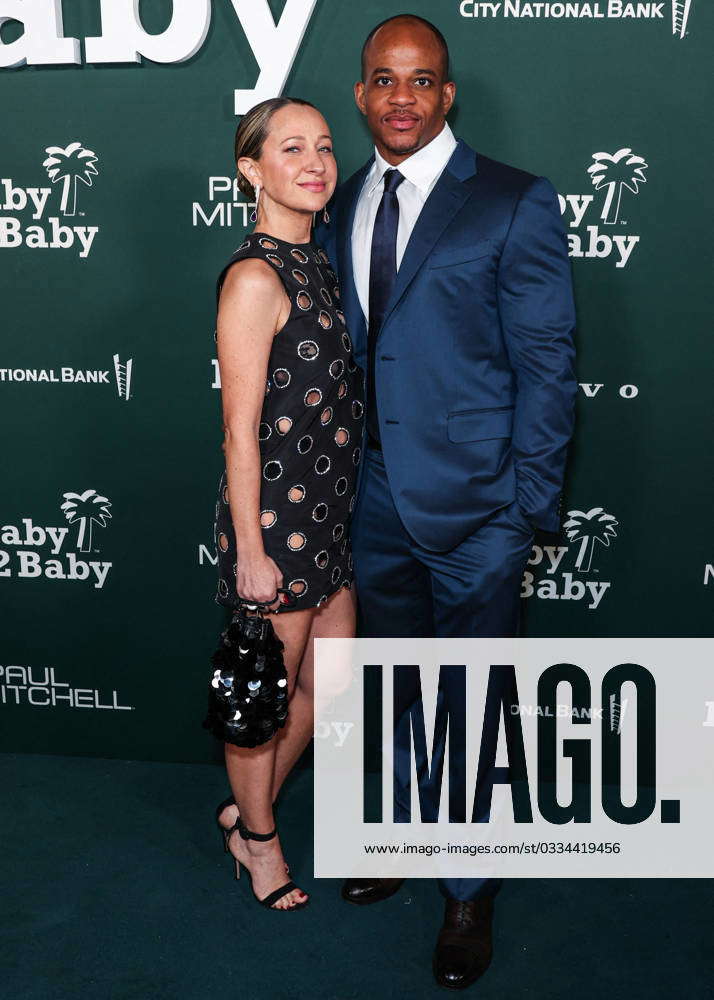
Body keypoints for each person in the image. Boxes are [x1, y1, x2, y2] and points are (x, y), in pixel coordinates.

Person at [316, 13, 577, 989]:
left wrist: (526, 508)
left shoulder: (511, 200)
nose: (399, 97)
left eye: (419, 80)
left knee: (472, 700)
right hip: (373, 497)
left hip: (480, 508)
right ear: (360, 94)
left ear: (447, 92)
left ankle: (469, 885)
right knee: (397, 688)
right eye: (383, 79)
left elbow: (548, 364)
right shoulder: (343, 202)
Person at [212, 97, 365, 911]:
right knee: (265, 704)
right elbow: (239, 434)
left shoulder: (324, 262)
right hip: (277, 525)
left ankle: (248, 805)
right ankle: (260, 844)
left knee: (329, 687)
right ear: (252, 170)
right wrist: (252, 551)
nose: (315, 162)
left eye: (326, 147)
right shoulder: (254, 278)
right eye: (292, 148)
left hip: (332, 516)